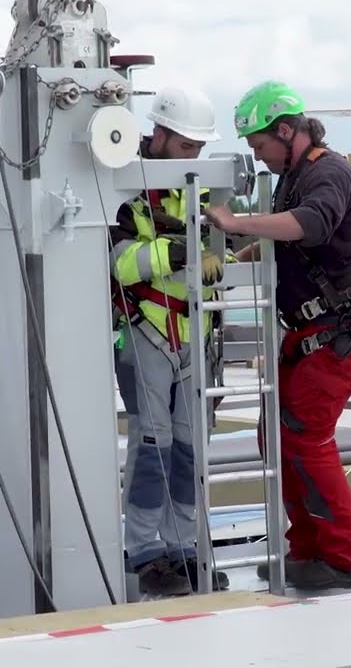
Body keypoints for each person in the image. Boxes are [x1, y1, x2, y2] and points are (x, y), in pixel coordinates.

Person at [204, 80, 351, 591]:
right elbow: (283, 244)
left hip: (337, 332)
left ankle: (347, 561)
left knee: (306, 438)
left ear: (286, 131)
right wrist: (230, 265)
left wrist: (237, 221)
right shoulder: (292, 177)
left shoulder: (328, 173)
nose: (259, 159)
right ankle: (308, 550)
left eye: (260, 146)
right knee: (277, 437)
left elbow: (309, 225)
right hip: (312, 332)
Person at [110, 84, 231, 597]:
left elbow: (218, 247)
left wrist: (216, 250)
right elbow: (117, 261)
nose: (194, 157)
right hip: (146, 333)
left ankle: (184, 551)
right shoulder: (121, 188)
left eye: (199, 149)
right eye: (186, 147)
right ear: (157, 134)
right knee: (153, 446)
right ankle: (144, 554)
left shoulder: (197, 189)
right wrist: (179, 254)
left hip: (194, 336)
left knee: (188, 451)